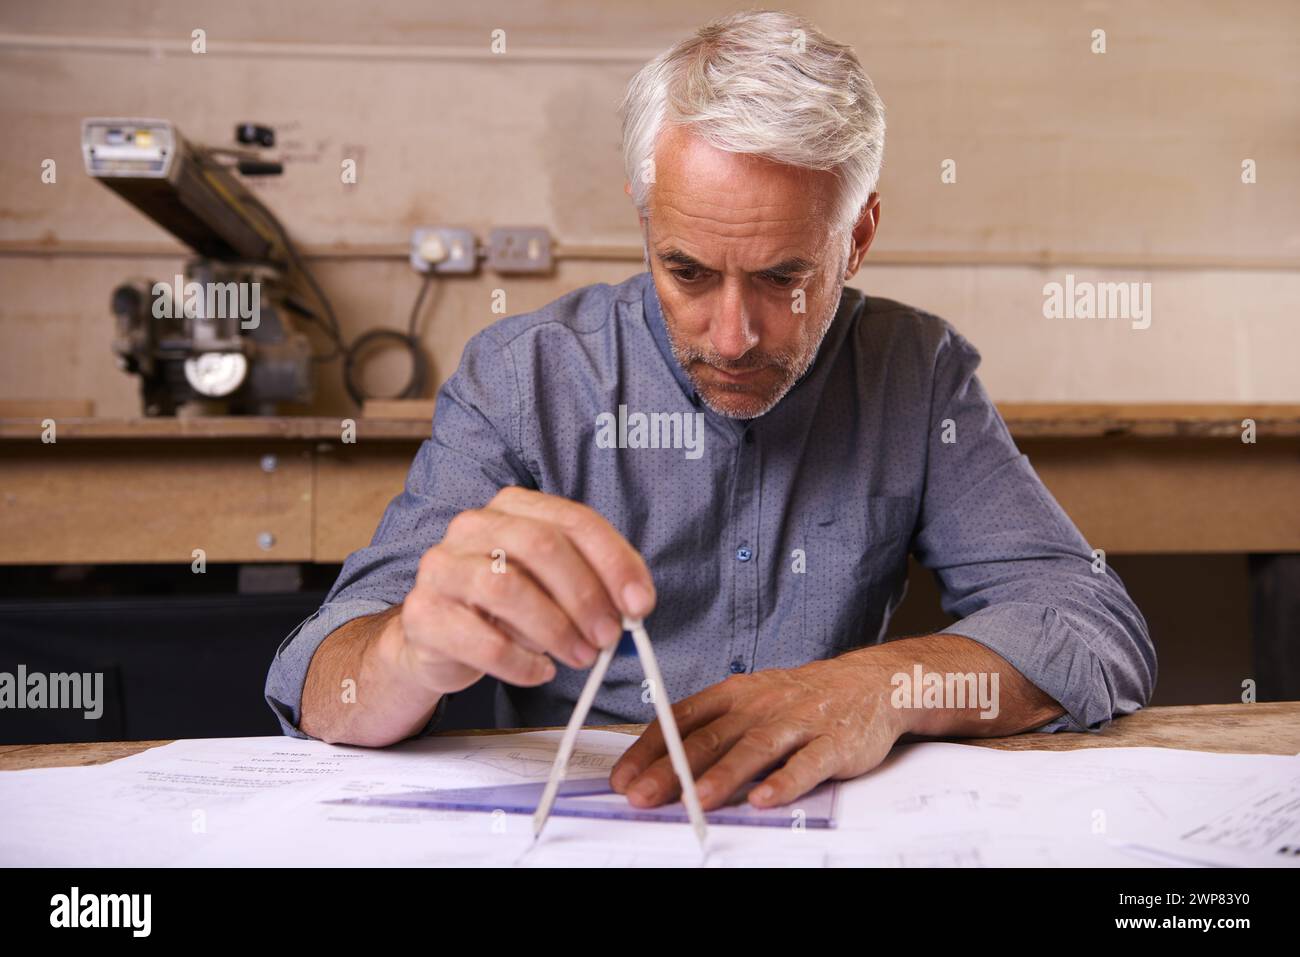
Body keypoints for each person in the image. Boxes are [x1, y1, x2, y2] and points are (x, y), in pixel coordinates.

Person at [266, 10, 1154, 812]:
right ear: (646, 221)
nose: (731, 337)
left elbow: (1088, 626)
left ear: (859, 239)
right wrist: (408, 656)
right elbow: (319, 682)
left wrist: (878, 687)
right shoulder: (525, 376)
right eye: (686, 271)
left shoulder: (913, 374)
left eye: (783, 278)